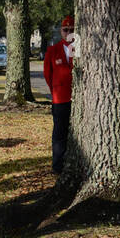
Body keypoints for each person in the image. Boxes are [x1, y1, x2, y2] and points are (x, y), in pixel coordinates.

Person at [42, 15, 75, 175]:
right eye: (65, 30)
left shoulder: (81, 49)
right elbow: (48, 75)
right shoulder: (52, 51)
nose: (68, 33)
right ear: (61, 31)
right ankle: (58, 166)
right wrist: (56, 90)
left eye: (72, 30)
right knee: (60, 133)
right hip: (61, 98)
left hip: (78, 99)